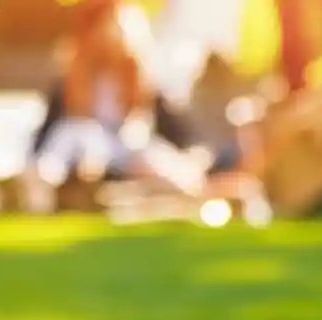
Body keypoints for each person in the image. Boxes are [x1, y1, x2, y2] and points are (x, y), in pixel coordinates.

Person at [22, 0, 205, 214]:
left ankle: (123, 194)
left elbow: (175, 133)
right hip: (83, 149)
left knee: (155, 159)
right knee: (76, 135)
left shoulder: (141, 79)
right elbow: (50, 133)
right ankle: (41, 190)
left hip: (126, 148)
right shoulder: (70, 79)